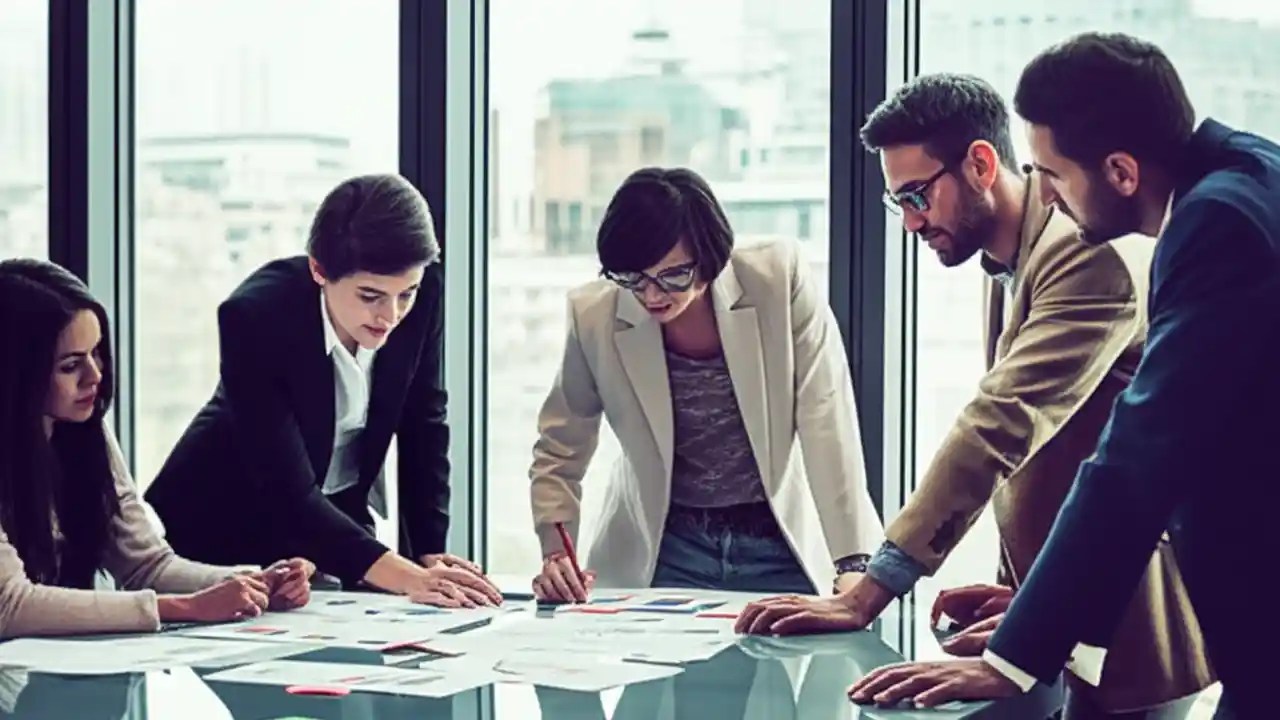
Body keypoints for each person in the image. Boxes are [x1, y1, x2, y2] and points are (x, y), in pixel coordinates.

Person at [736, 74, 1212, 718]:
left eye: (915, 196)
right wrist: (1024, 593)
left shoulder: (1086, 255)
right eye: (894, 203)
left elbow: (1000, 425)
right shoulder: (1012, 256)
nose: (909, 223)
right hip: (1057, 611)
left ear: (981, 164)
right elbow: (1057, 447)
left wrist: (868, 592)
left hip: (1126, 621)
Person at [845, 33, 1278, 719]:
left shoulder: (1210, 225)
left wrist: (1013, 651)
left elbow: (1131, 460)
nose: (1042, 190)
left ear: (1121, 172)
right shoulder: (1249, 171)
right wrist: (1027, 608)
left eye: (1052, 173)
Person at [144, 174, 500, 608]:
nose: (390, 315)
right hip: (219, 530)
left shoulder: (422, 299)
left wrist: (428, 554)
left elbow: (424, 423)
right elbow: (286, 490)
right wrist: (404, 575)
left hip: (325, 542)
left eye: (405, 294)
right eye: (370, 296)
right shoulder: (256, 316)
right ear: (319, 269)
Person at [528, 166, 882, 603]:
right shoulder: (594, 315)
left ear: (710, 254)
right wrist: (555, 553)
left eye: (672, 276)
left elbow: (826, 418)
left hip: (778, 545)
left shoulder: (776, 280)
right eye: (633, 279)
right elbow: (561, 446)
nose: (652, 295)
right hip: (664, 549)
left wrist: (853, 561)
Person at [0, 259, 312, 638]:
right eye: (70, 365)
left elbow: (146, 566)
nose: (95, 376)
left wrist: (252, 583)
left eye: (97, 352)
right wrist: (185, 608)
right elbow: (10, 605)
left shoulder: (82, 430)